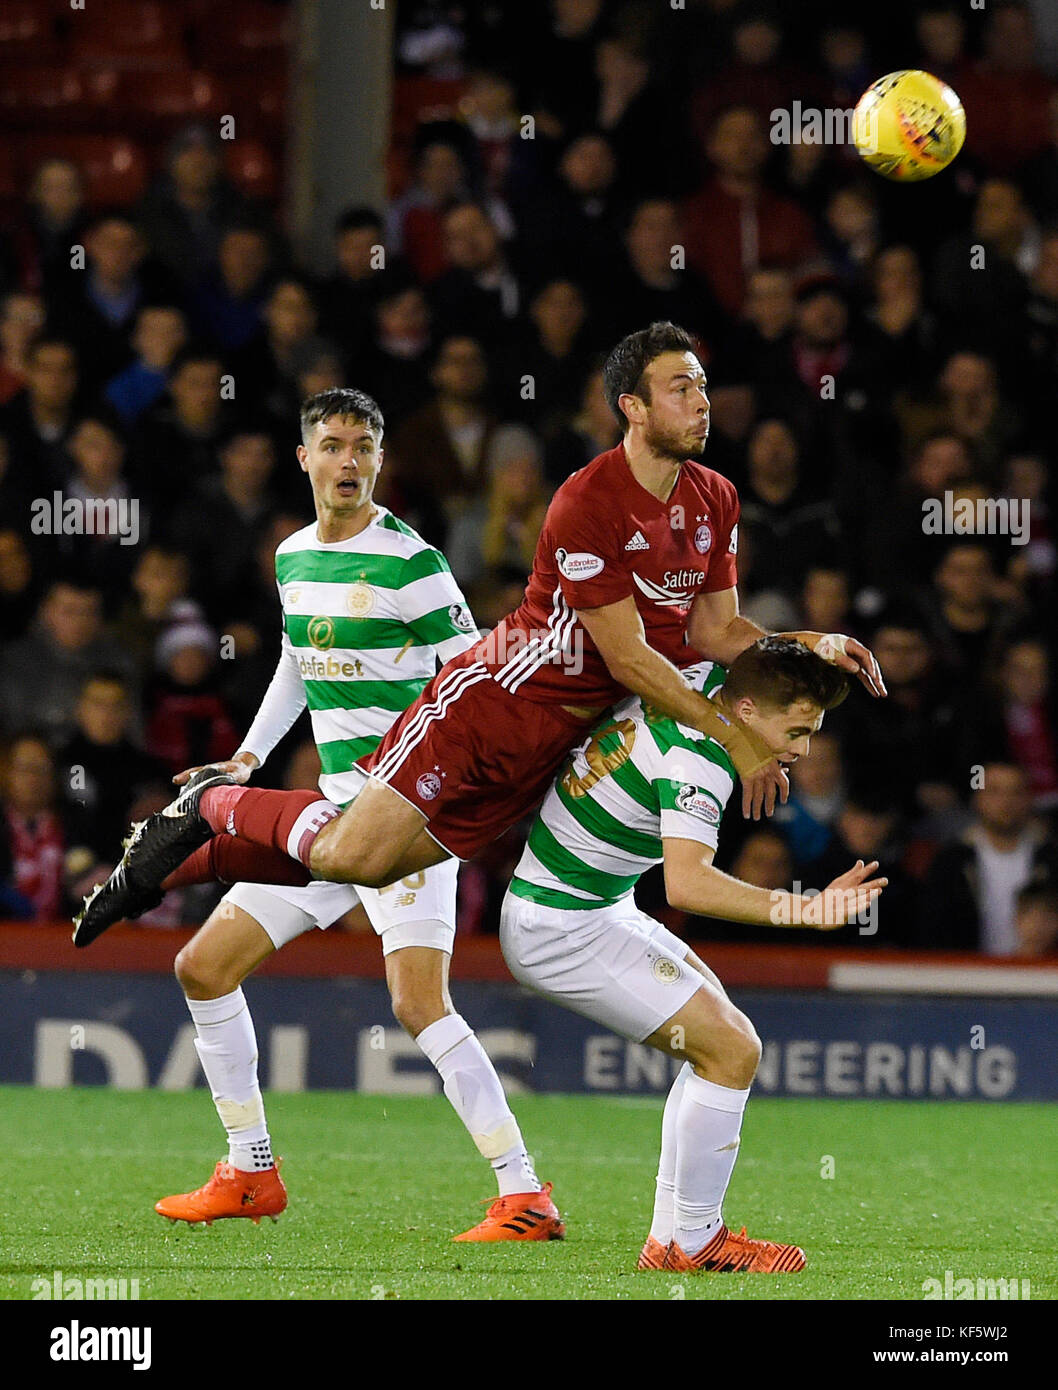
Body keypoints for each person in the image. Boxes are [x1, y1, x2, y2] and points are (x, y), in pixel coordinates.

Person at [75, 322, 885, 992]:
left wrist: (805, 642)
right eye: (682, 388)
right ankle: (209, 806)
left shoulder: (715, 498)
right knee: (357, 853)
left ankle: (177, 857)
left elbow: (716, 632)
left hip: (560, 736)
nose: (703, 402)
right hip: (495, 704)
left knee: (370, 863)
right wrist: (739, 740)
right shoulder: (587, 500)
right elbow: (632, 660)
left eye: (704, 386)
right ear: (631, 407)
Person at [110, 389, 561, 1242]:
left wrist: (454, 796)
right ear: (304, 457)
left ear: (380, 461)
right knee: (204, 968)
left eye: (363, 446)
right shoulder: (291, 557)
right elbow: (295, 660)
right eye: (333, 444)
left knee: (419, 1004)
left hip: (403, 823)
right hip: (327, 820)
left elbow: (475, 682)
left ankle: (524, 1195)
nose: (348, 460)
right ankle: (249, 1170)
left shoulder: (413, 565)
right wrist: (246, 759)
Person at [499, 638, 885, 1272]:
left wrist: (812, 645)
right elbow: (688, 885)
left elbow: (742, 645)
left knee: (718, 1043)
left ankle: (670, 1238)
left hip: (588, 906)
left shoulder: (693, 678)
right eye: (796, 730)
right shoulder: (698, 759)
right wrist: (805, 909)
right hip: (562, 928)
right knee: (733, 1049)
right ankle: (699, 1241)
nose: (802, 750)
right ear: (751, 709)